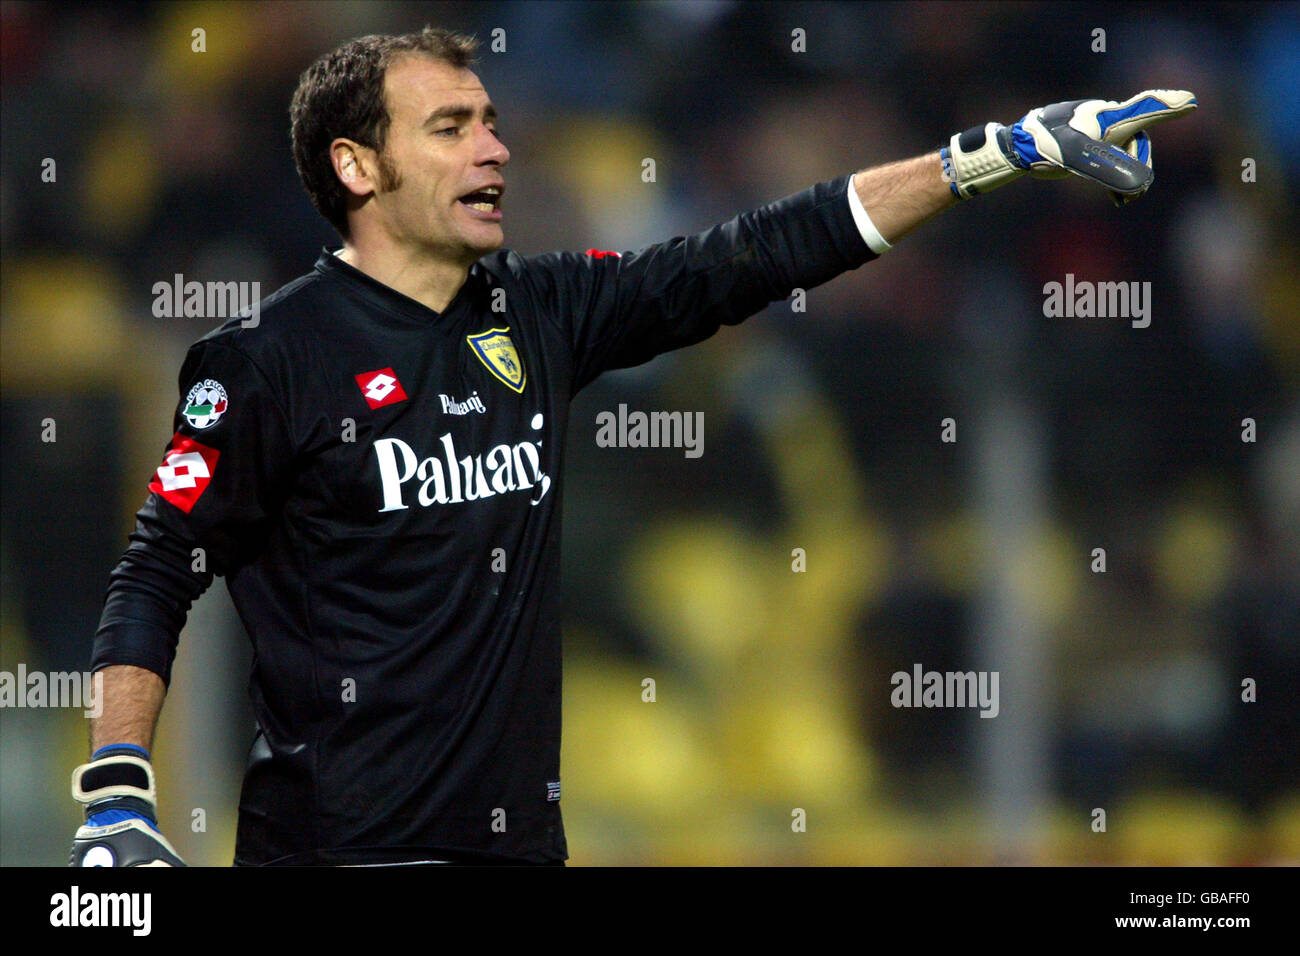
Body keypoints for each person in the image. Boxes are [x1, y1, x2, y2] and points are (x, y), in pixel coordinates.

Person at [67, 25, 1196, 866]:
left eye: (493, 121)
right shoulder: (265, 360)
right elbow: (159, 567)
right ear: (358, 167)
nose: (494, 148)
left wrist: (983, 157)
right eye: (450, 128)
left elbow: (761, 249)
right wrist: (118, 787)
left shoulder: (540, 313)